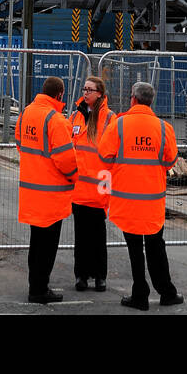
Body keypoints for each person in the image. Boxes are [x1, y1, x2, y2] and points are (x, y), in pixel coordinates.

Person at [98, 79, 184, 311]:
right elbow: (169, 160)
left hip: (126, 200)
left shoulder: (119, 125)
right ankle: (166, 291)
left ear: (133, 99)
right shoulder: (164, 128)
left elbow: (104, 156)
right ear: (151, 101)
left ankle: (140, 294)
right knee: (156, 246)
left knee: (135, 249)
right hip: (153, 201)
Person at [15, 75, 77, 304]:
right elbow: (66, 160)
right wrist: (76, 178)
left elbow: (20, 143)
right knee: (47, 247)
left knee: (36, 244)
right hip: (50, 195)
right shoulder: (55, 120)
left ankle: (36, 285)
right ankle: (40, 290)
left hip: (31, 192)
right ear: (60, 94)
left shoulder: (26, 113)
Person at [70, 75, 114, 291]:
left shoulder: (109, 118)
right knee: (81, 236)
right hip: (79, 187)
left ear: (100, 94)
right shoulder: (75, 117)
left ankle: (99, 276)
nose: (85, 92)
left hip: (98, 186)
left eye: (90, 89)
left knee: (98, 235)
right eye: (84, 89)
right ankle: (81, 276)